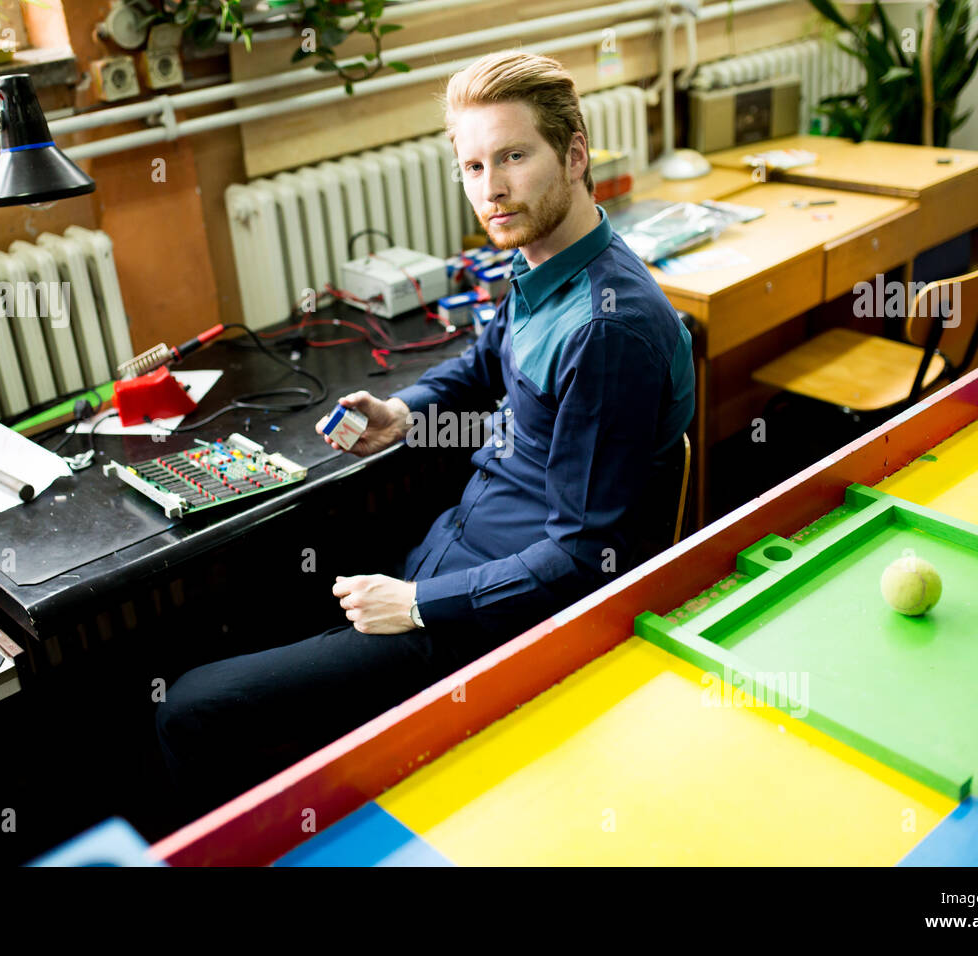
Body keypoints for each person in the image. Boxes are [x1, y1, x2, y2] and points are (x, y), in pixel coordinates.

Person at [155, 49, 695, 818]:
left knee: (191, 708)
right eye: (473, 166)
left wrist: (416, 604)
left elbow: (583, 559)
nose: (491, 189)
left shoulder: (607, 330)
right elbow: (481, 366)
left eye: (513, 157)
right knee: (225, 607)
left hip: (493, 618)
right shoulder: (544, 263)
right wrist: (403, 413)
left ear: (575, 156)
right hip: (452, 552)